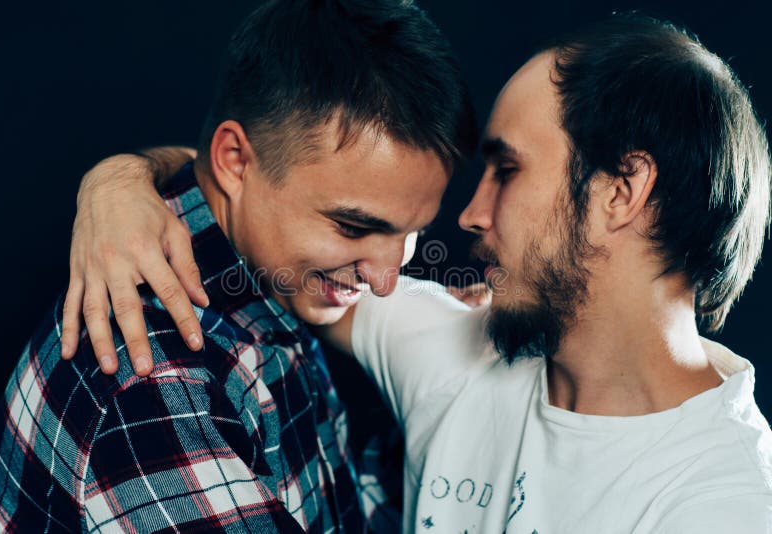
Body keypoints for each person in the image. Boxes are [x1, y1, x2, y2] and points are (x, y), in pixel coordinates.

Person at [57, 13, 772, 533]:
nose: (469, 214)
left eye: (508, 169)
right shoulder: (453, 346)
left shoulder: (723, 501)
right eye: (484, 170)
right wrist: (123, 182)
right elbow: (266, 213)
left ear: (623, 189)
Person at [0, 0, 477, 531]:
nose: (385, 278)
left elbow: (335, 512)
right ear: (235, 162)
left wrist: (463, 390)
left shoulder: (263, 284)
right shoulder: (155, 387)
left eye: (412, 232)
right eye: (354, 227)